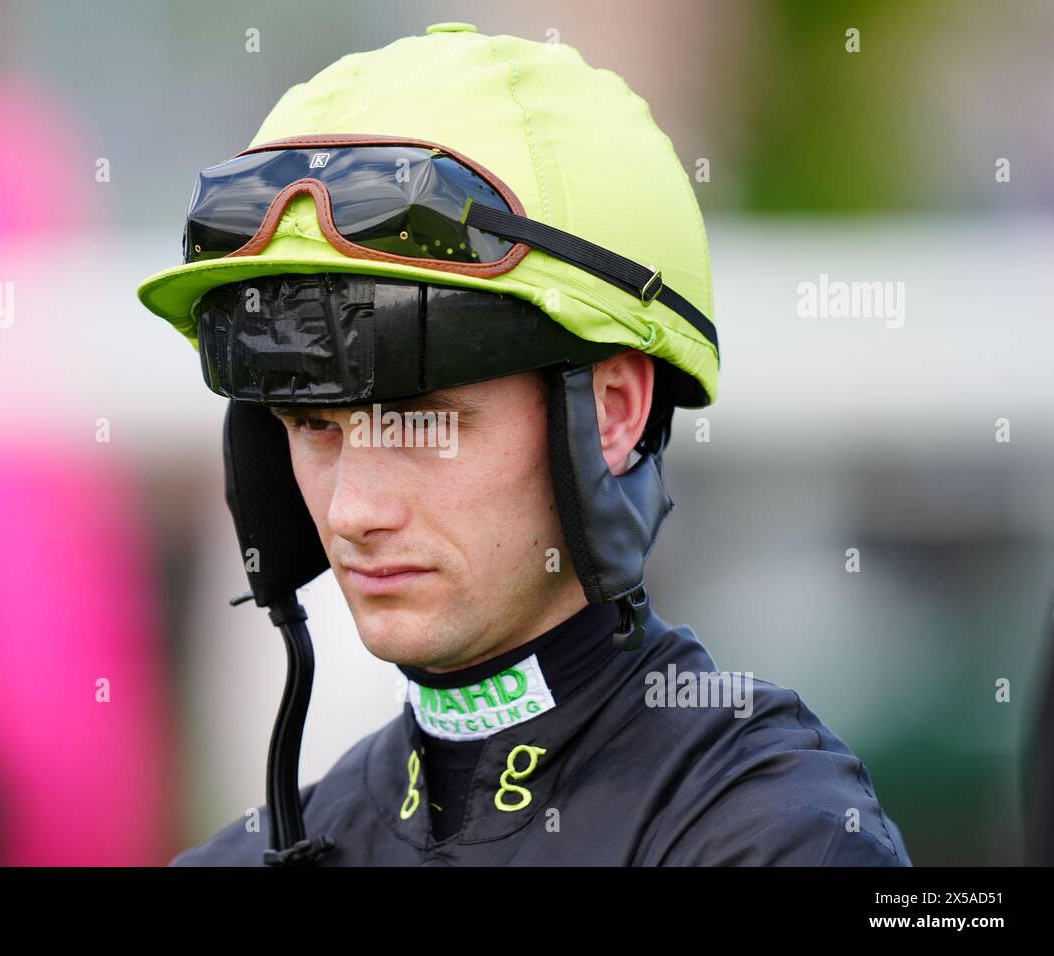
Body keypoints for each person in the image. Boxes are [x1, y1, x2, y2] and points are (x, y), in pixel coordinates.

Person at [137, 22, 912, 866]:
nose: (353, 511)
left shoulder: (777, 835)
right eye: (313, 427)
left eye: (422, 421)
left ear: (612, 412)